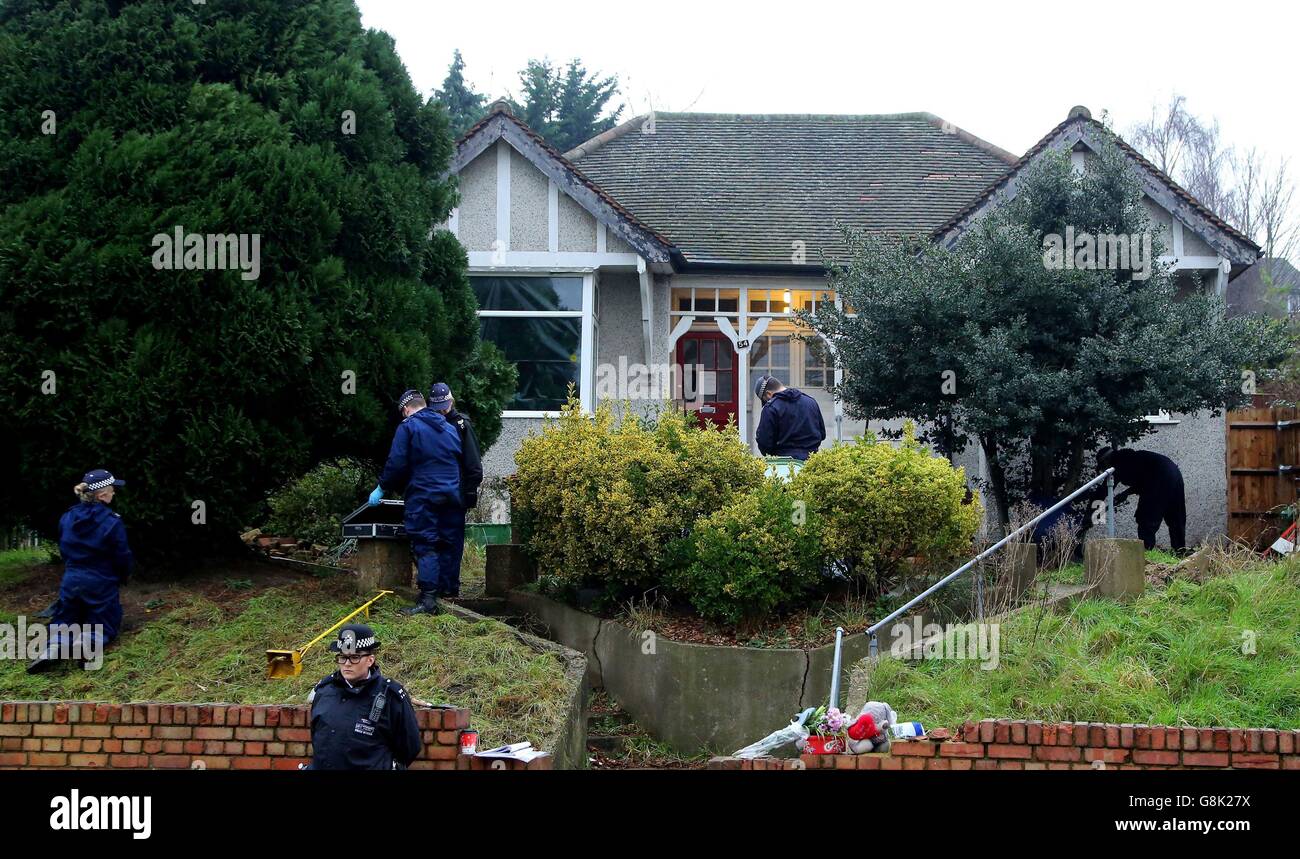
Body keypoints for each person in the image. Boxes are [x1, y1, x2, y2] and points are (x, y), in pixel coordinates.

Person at [28, 469, 133, 673]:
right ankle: (86, 645)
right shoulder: (112, 521)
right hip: (101, 579)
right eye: (113, 490)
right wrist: (124, 574)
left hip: (72, 578)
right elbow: (122, 553)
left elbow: (64, 547)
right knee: (104, 618)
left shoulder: (68, 517)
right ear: (103, 495)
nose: (114, 494)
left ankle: (53, 648)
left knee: (66, 615)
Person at [369, 389, 462, 616]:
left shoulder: (408, 426)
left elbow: (397, 461)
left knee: (426, 543)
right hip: (451, 495)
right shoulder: (449, 428)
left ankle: (428, 600)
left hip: (425, 495)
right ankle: (448, 594)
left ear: (406, 409)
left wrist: (382, 487)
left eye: (403, 413)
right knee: (448, 542)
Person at [306, 623, 422, 770]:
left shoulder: (390, 695)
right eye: (342, 657)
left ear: (370, 660)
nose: (347, 664)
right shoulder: (325, 690)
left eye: (354, 657)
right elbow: (317, 737)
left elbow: (409, 746)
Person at [428, 382, 482, 598]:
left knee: (451, 541)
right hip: (437, 493)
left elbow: (473, 463)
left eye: (444, 405)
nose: (442, 409)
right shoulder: (433, 425)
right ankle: (439, 586)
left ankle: (449, 588)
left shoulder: (461, 425)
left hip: (455, 493)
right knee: (437, 540)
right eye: (438, 406)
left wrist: (468, 491)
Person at [1096, 446, 1187, 552]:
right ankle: (1180, 551)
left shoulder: (1118, 464)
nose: (1104, 470)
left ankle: (1146, 552)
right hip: (1174, 475)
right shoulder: (1130, 458)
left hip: (1159, 479)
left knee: (1146, 518)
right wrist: (1126, 493)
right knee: (1176, 517)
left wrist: (1092, 515)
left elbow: (1102, 492)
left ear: (1106, 460)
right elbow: (1144, 479)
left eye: (1103, 466)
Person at [753, 374, 826, 461]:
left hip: (783, 465)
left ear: (768, 394)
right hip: (812, 463)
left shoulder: (770, 408)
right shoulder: (811, 402)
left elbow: (764, 444)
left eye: (765, 399)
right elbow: (822, 434)